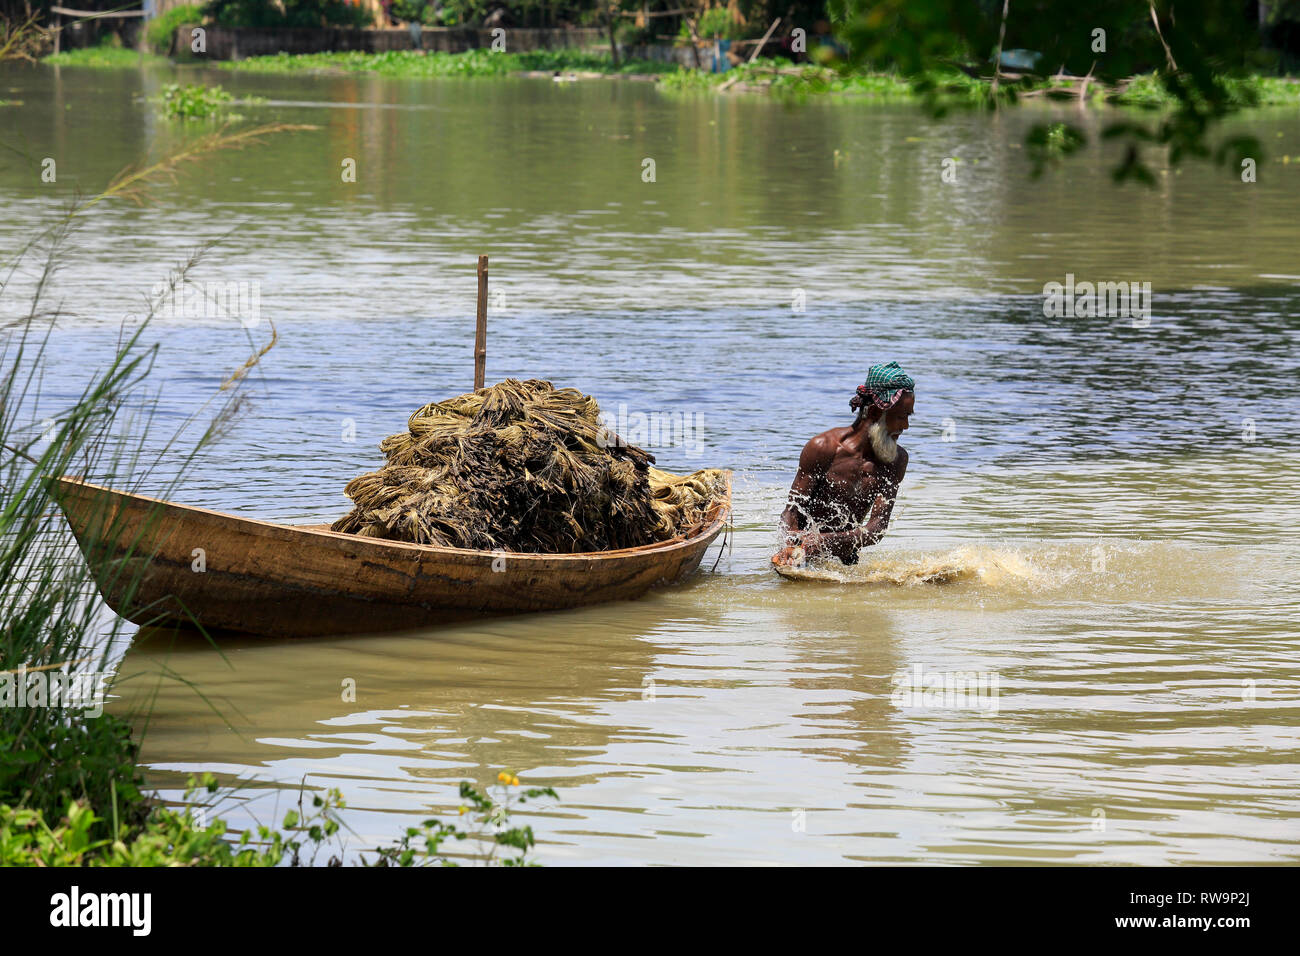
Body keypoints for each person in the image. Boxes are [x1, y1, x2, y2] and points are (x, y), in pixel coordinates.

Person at [773, 361, 914, 567]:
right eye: (901, 417)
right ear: (875, 413)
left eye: (908, 417)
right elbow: (791, 511)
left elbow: (877, 529)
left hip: (846, 563)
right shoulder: (823, 448)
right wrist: (790, 545)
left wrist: (821, 541)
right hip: (801, 558)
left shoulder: (897, 460)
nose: (906, 426)